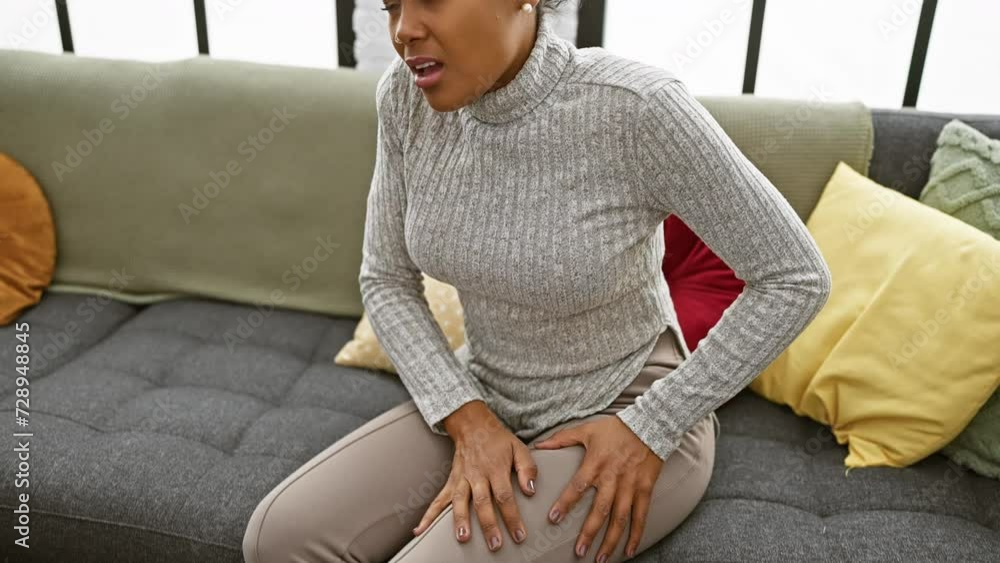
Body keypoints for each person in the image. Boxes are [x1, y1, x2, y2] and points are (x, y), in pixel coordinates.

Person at [242, 1, 832, 562]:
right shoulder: (404, 99)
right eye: (392, 6)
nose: (404, 29)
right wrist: (467, 419)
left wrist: (651, 426)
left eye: (431, 1)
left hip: (632, 403)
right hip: (488, 391)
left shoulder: (636, 107)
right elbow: (386, 278)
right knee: (279, 540)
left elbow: (794, 277)